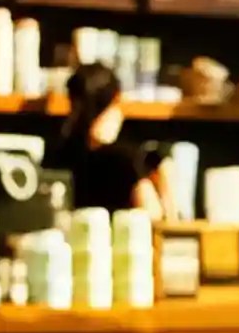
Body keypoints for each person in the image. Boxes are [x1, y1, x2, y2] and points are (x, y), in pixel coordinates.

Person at [52, 63, 175, 220]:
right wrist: (166, 188)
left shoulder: (59, 155)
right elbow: (153, 217)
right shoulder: (126, 162)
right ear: (117, 99)